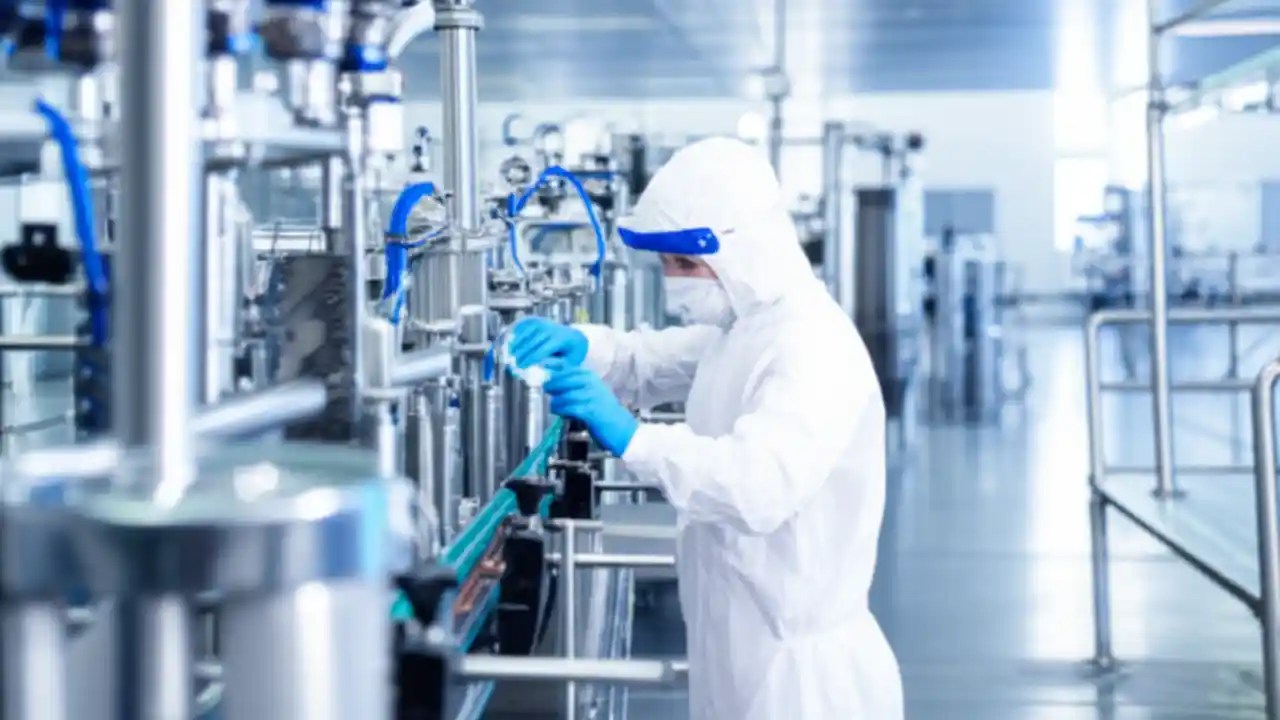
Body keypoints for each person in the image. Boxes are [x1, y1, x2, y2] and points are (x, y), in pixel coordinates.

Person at [508, 137, 903, 719]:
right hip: (739, 646)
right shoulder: (748, 326)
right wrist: (587, 346)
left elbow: (756, 487)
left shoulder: (811, 346)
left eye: (685, 263)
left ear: (746, 251)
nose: (674, 281)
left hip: (801, 684)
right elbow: (654, 361)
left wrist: (633, 438)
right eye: (667, 263)